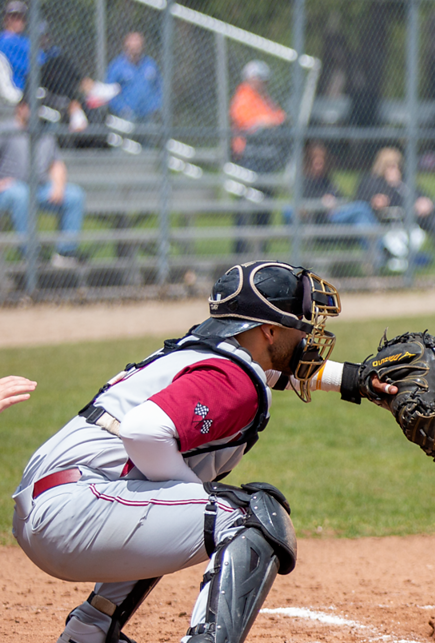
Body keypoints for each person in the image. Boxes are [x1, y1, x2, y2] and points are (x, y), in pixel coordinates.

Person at [10, 261, 399, 643]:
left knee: (170, 496)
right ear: (268, 331)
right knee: (252, 517)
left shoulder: (204, 354)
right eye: (299, 325)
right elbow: (143, 430)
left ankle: (88, 633)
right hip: (73, 514)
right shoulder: (234, 378)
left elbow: (275, 372)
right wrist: (193, 495)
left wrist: (358, 380)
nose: (306, 336)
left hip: (59, 505)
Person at [355, 146, 435, 270]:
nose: (395, 170)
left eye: (397, 166)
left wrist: (423, 202)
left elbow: (420, 194)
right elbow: (362, 201)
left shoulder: (403, 182)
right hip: (390, 219)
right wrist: (378, 199)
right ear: (382, 166)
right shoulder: (372, 181)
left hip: (413, 215)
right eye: (390, 166)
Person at [0, 93, 85, 267]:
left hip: (39, 189)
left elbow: (56, 164)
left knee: (75, 195)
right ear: (20, 108)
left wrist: (58, 186)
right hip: (9, 191)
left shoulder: (45, 133)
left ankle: (65, 253)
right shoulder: (6, 130)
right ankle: (31, 254)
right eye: (30, 106)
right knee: (20, 194)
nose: (34, 111)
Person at [285, 141, 382, 265]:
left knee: (361, 220)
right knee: (361, 208)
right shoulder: (304, 181)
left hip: (335, 217)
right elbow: (303, 204)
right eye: (316, 161)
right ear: (308, 162)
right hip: (320, 220)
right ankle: (383, 251)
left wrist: (333, 201)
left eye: (322, 161)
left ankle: (378, 257)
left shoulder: (326, 180)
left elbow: (342, 197)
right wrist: (321, 202)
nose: (319, 165)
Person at [229, 60, 287, 255]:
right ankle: (239, 255)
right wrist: (266, 122)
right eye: (258, 79)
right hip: (247, 160)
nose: (262, 83)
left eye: (264, 80)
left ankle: (262, 254)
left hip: (266, 161)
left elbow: (280, 118)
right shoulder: (243, 96)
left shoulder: (266, 99)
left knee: (264, 209)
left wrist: (268, 121)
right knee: (244, 211)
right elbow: (249, 123)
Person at [105, 32, 161, 122]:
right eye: (132, 48)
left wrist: (156, 106)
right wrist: (122, 109)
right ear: (126, 48)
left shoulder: (150, 64)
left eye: (138, 48)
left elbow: (159, 87)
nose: (135, 52)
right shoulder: (117, 67)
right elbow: (109, 92)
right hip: (125, 117)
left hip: (148, 117)